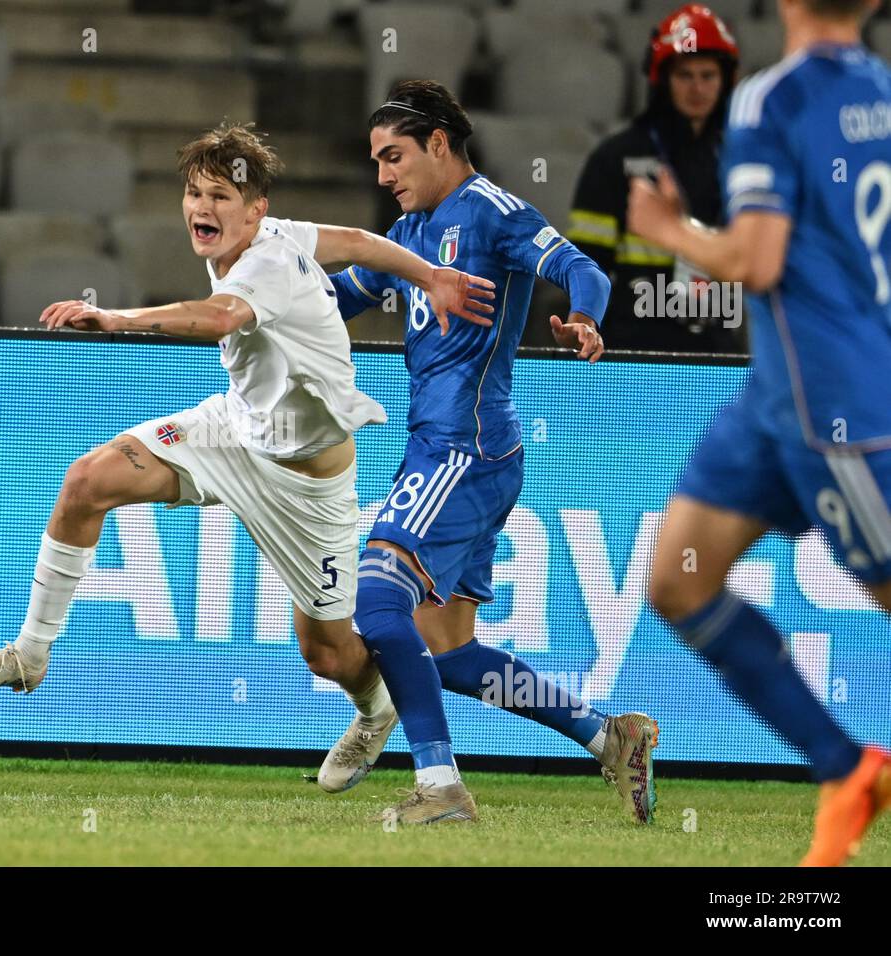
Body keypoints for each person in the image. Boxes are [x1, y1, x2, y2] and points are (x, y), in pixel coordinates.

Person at [0, 122, 495, 787]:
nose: (203, 208)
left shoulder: (263, 262)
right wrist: (430, 275)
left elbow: (220, 318)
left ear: (254, 210)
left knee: (329, 653)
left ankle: (375, 710)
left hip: (306, 486)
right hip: (232, 431)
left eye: (220, 197)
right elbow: (357, 243)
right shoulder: (280, 232)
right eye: (195, 193)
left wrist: (121, 319)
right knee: (88, 480)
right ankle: (29, 654)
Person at [316, 80, 658, 825]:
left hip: (461, 450)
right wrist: (255, 291)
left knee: (376, 602)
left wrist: (585, 317)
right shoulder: (407, 237)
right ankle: (610, 737)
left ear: (440, 143)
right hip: (459, 452)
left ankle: (440, 789)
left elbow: (583, 270)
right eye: (376, 161)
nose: (382, 175)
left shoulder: (495, 212)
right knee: (446, 652)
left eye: (393, 156)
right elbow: (334, 298)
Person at [629, 0, 891, 865]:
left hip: (837, 410)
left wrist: (667, 229)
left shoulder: (769, 100)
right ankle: (845, 768)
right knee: (677, 580)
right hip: (774, 400)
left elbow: (756, 261)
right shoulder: (883, 93)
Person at [569, 3, 742, 353]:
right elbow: (585, 262)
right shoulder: (614, 157)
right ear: (662, 80)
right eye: (685, 75)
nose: (697, 88)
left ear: (724, 82)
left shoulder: (741, 159)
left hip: (721, 342)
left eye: (708, 75)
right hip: (634, 345)